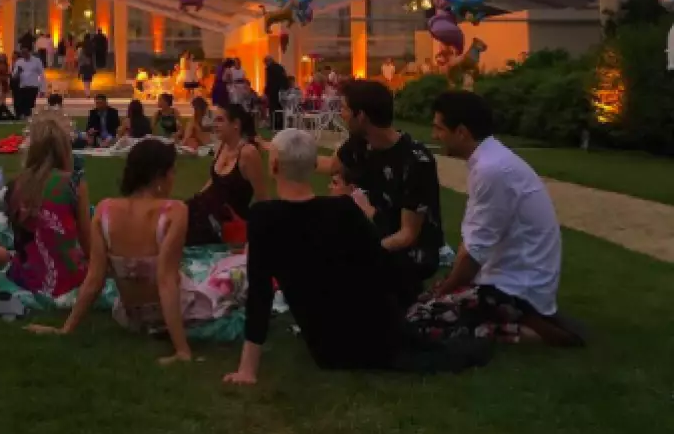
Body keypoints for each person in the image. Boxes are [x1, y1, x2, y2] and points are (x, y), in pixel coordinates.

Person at [225, 129, 491, 383]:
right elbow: (379, 265)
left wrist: (247, 369)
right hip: (377, 330)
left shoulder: (265, 217)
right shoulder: (344, 209)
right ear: (313, 165)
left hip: (332, 347)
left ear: (274, 167)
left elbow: (260, 293)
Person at [408, 91, 582, 346]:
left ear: (462, 132)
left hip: (517, 287)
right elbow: (473, 243)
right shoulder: (491, 162)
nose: (434, 136)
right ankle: (510, 320)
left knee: (421, 321)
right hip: (510, 278)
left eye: (439, 128)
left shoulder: (493, 170)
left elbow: (473, 254)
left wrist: (444, 291)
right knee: (420, 307)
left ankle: (532, 330)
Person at [25, 138, 197, 363]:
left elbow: (94, 279)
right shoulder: (175, 211)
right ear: (159, 176)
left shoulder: (105, 210)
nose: (174, 178)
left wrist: (67, 329)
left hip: (129, 318)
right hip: (171, 314)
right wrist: (182, 349)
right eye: (172, 171)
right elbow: (166, 281)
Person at [320, 79, 444, 298]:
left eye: (346, 109)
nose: (342, 114)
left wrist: (361, 251)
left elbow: (407, 235)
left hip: (407, 253)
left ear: (362, 117)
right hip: (372, 235)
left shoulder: (415, 161)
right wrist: (286, 155)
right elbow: (332, 167)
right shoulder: (360, 143)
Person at [4, 114, 91, 298]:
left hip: (27, 279)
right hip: (68, 281)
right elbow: (88, 245)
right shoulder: (74, 183)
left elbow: (20, 240)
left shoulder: (17, 184)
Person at [185, 103, 267, 245]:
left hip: (226, 221)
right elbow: (213, 181)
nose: (215, 124)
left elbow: (262, 197)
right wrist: (195, 202)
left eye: (220, 120)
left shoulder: (248, 153)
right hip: (207, 211)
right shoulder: (221, 147)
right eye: (215, 120)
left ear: (236, 124)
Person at [11, 44, 46, 118]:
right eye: (22, 53)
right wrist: (18, 72)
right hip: (22, 87)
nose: (24, 54)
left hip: (33, 87)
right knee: (21, 106)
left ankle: (28, 119)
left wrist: (42, 89)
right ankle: (22, 119)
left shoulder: (37, 61)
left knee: (29, 107)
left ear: (30, 52)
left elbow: (42, 75)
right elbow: (14, 76)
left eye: (26, 52)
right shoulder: (19, 62)